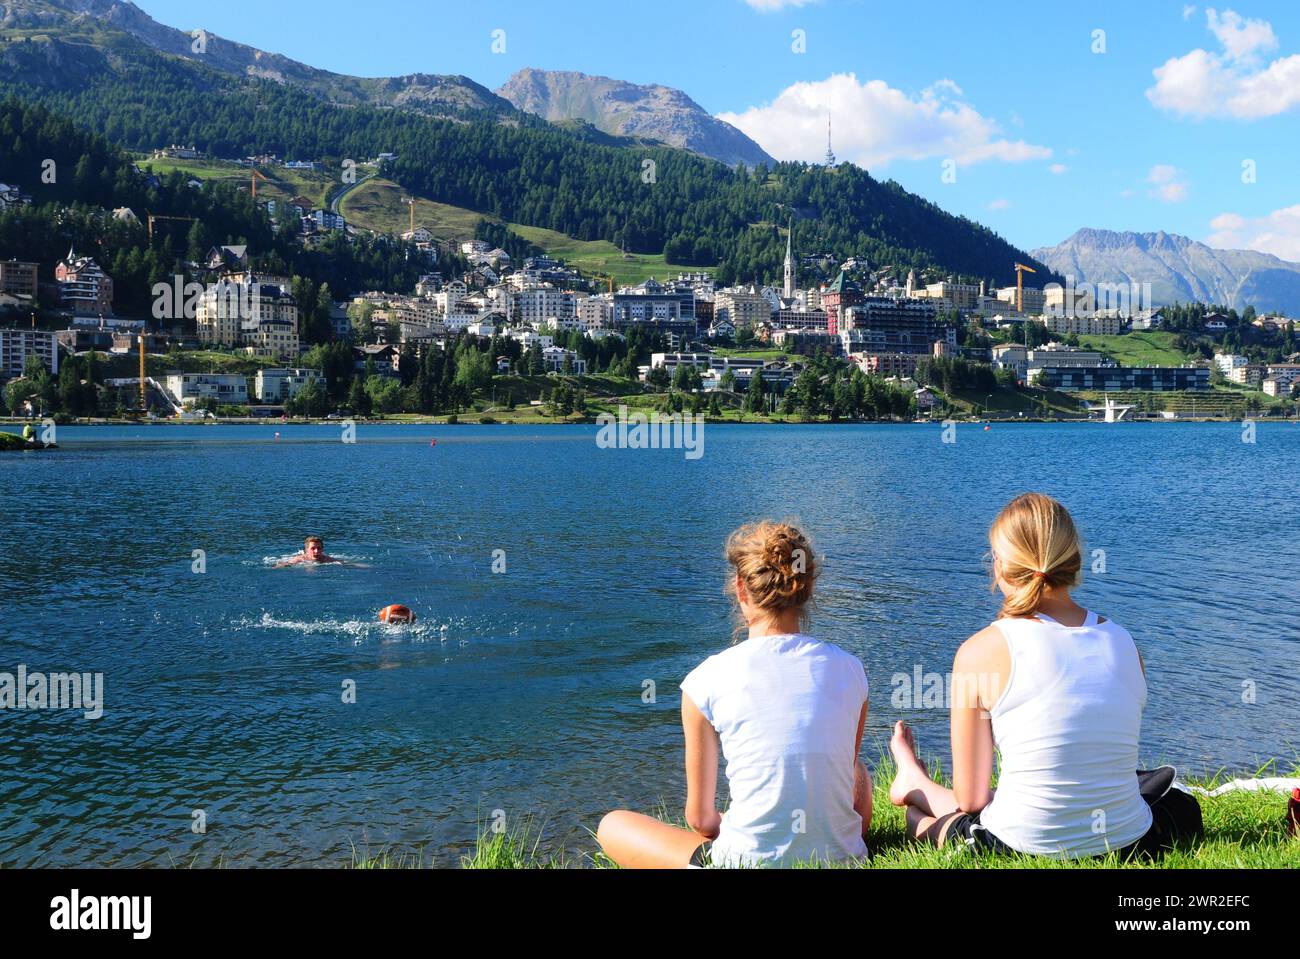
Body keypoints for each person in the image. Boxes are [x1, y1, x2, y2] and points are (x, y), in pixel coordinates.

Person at [889, 492, 1201, 859]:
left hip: (1021, 845)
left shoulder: (979, 651)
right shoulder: (1123, 641)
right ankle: (916, 782)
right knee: (1179, 806)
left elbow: (971, 799)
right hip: (1130, 840)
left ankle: (914, 784)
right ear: (1073, 559)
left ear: (1002, 566)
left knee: (923, 821)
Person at [597, 521, 872, 868]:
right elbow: (845, 779)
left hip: (743, 862)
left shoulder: (705, 680)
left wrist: (729, 823)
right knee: (857, 769)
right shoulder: (851, 669)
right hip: (842, 858)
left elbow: (700, 820)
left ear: (741, 589)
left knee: (613, 825)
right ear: (808, 588)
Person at [275, 535, 341, 567]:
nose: (316, 551)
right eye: (313, 548)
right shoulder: (301, 559)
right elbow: (286, 564)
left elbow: (345, 563)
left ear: (322, 549)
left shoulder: (327, 559)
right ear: (306, 550)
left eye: (319, 548)